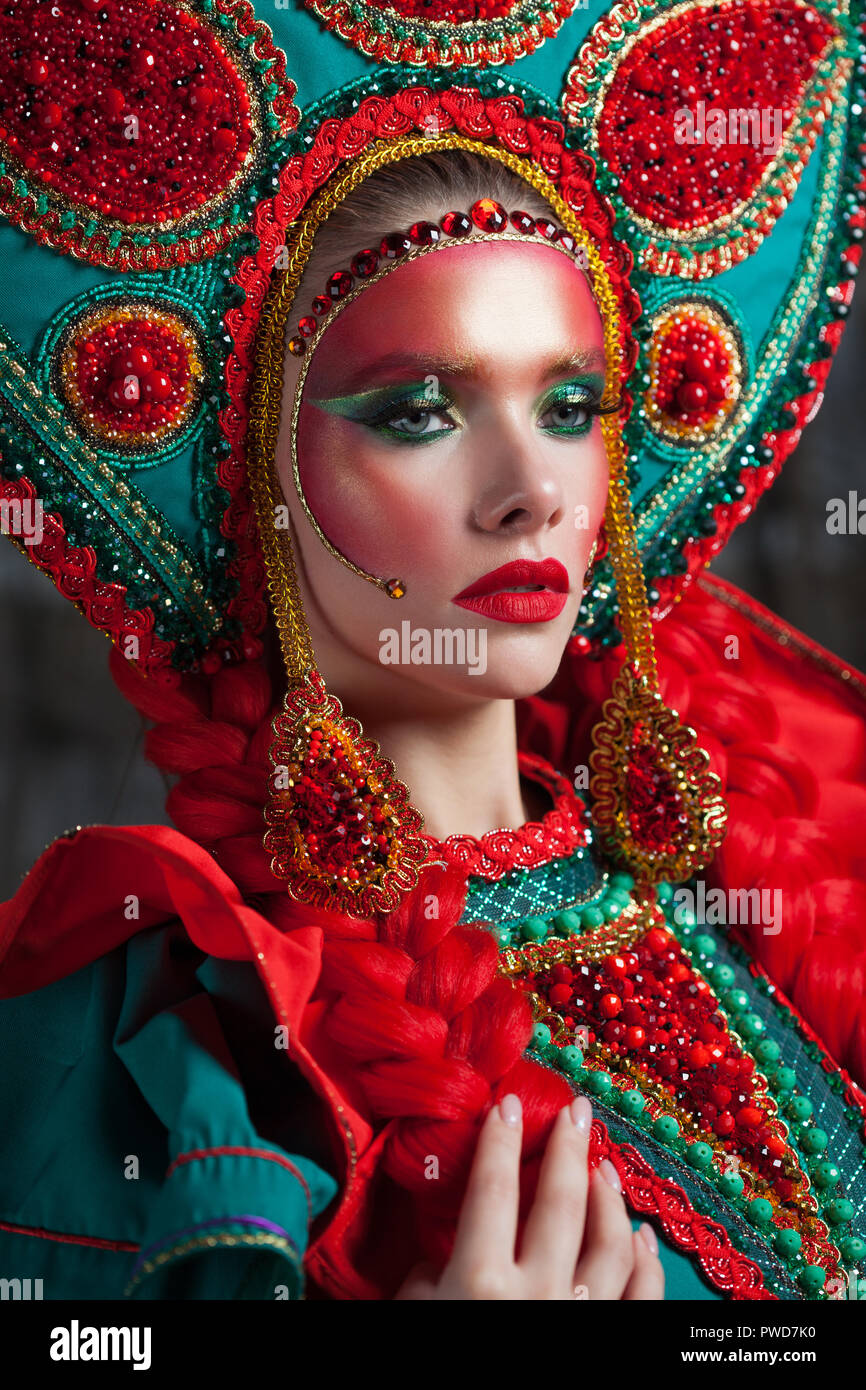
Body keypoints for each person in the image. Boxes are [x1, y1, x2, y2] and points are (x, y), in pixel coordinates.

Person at [0, 1, 864, 1303]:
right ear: (269, 477)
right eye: (418, 410)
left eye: (569, 404)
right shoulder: (179, 1040)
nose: (529, 489)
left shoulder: (780, 871)